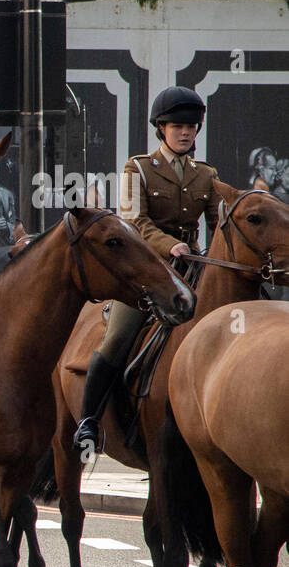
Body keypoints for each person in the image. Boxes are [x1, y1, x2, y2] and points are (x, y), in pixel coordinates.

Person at [73, 86, 222, 449]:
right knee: (119, 336)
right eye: (177, 126)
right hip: (146, 270)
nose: (186, 132)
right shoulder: (137, 167)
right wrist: (169, 245)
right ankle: (88, 421)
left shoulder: (206, 174)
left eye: (191, 126)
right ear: (161, 129)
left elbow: (219, 225)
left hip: (192, 268)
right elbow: (134, 222)